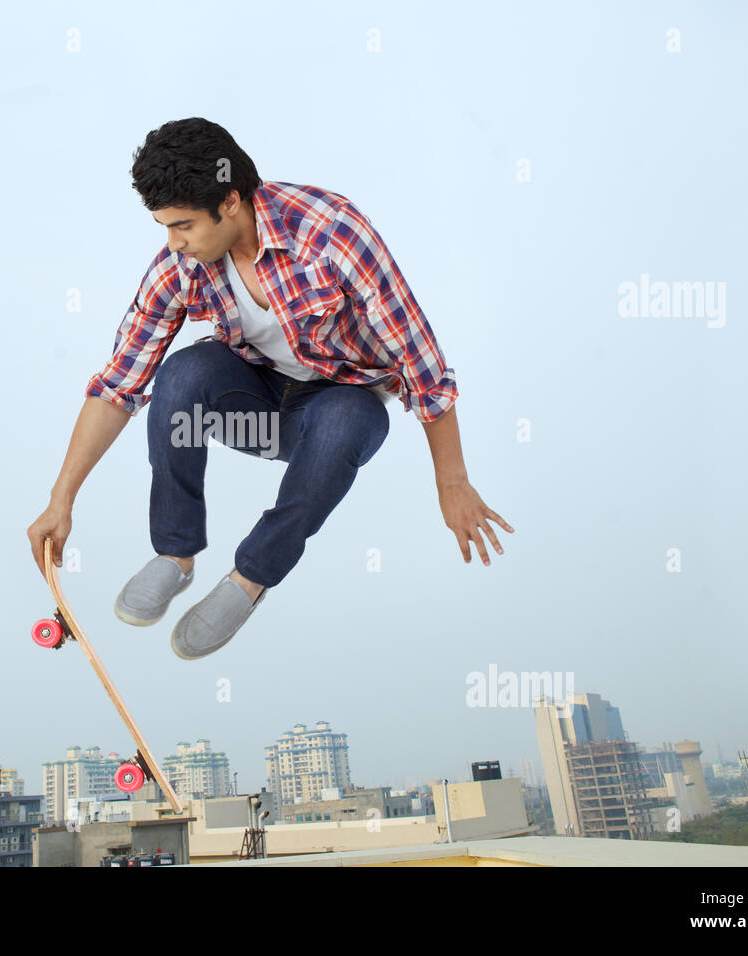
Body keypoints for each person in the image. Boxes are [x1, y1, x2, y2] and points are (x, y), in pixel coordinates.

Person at [28, 117, 512, 660]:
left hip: (331, 415)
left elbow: (422, 365)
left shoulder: (333, 236)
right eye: (166, 227)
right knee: (183, 373)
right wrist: (60, 500)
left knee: (347, 418)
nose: (174, 242)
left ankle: (248, 580)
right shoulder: (182, 264)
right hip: (253, 411)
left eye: (183, 225)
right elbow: (120, 381)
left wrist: (452, 483)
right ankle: (175, 556)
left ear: (230, 202)